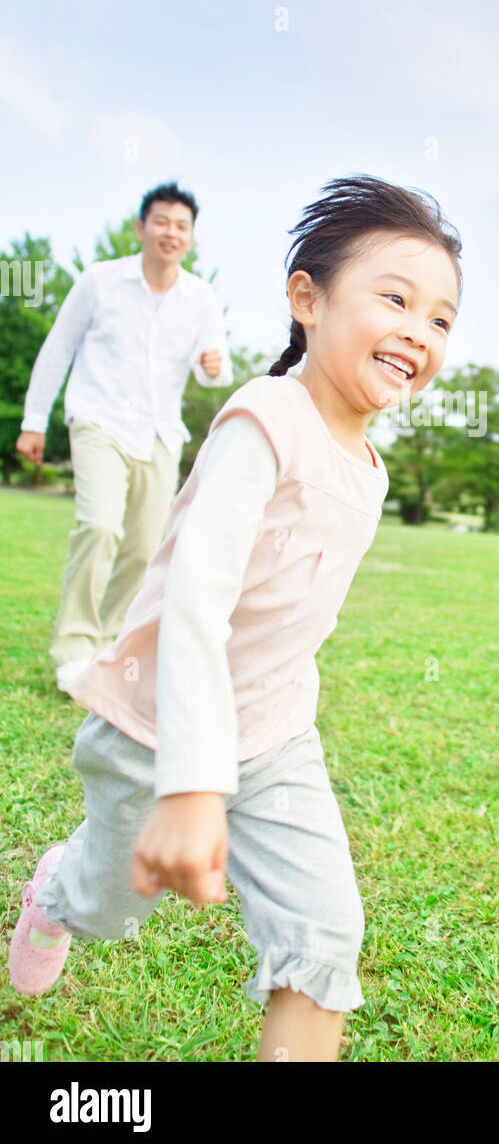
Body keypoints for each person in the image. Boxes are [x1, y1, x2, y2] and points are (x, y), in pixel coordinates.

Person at [8, 173, 463, 1063]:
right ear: (307, 300)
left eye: (442, 318)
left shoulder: (369, 470)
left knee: (324, 935)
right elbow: (196, 599)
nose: (420, 329)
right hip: (156, 732)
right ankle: (56, 889)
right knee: (109, 905)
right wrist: (189, 782)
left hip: (278, 734)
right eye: (396, 298)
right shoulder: (263, 420)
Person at [16, 182, 233, 691]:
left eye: (181, 226)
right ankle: (73, 647)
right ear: (141, 228)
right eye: (161, 222)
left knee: (142, 549)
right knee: (99, 524)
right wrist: (33, 421)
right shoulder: (99, 281)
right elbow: (56, 351)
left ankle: (109, 650)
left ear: (191, 237)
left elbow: (213, 371)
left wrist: (214, 366)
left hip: (160, 432)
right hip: (98, 418)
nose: (171, 232)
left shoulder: (201, 298)